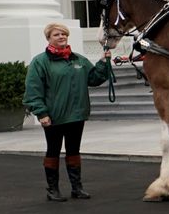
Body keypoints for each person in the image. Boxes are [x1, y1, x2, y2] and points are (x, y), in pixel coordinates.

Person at [24, 22, 115, 202]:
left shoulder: (79, 60)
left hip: (76, 115)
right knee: (53, 151)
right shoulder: (40, 62)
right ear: (48, 38)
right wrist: (41, 113)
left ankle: (77, 188)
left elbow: (94, 79)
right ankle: (53, 190)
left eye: (64, 34)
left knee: (74, 150)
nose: (61, 37)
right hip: (54, 117)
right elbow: (33, 90)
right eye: (57, 34)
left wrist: (103, 63)